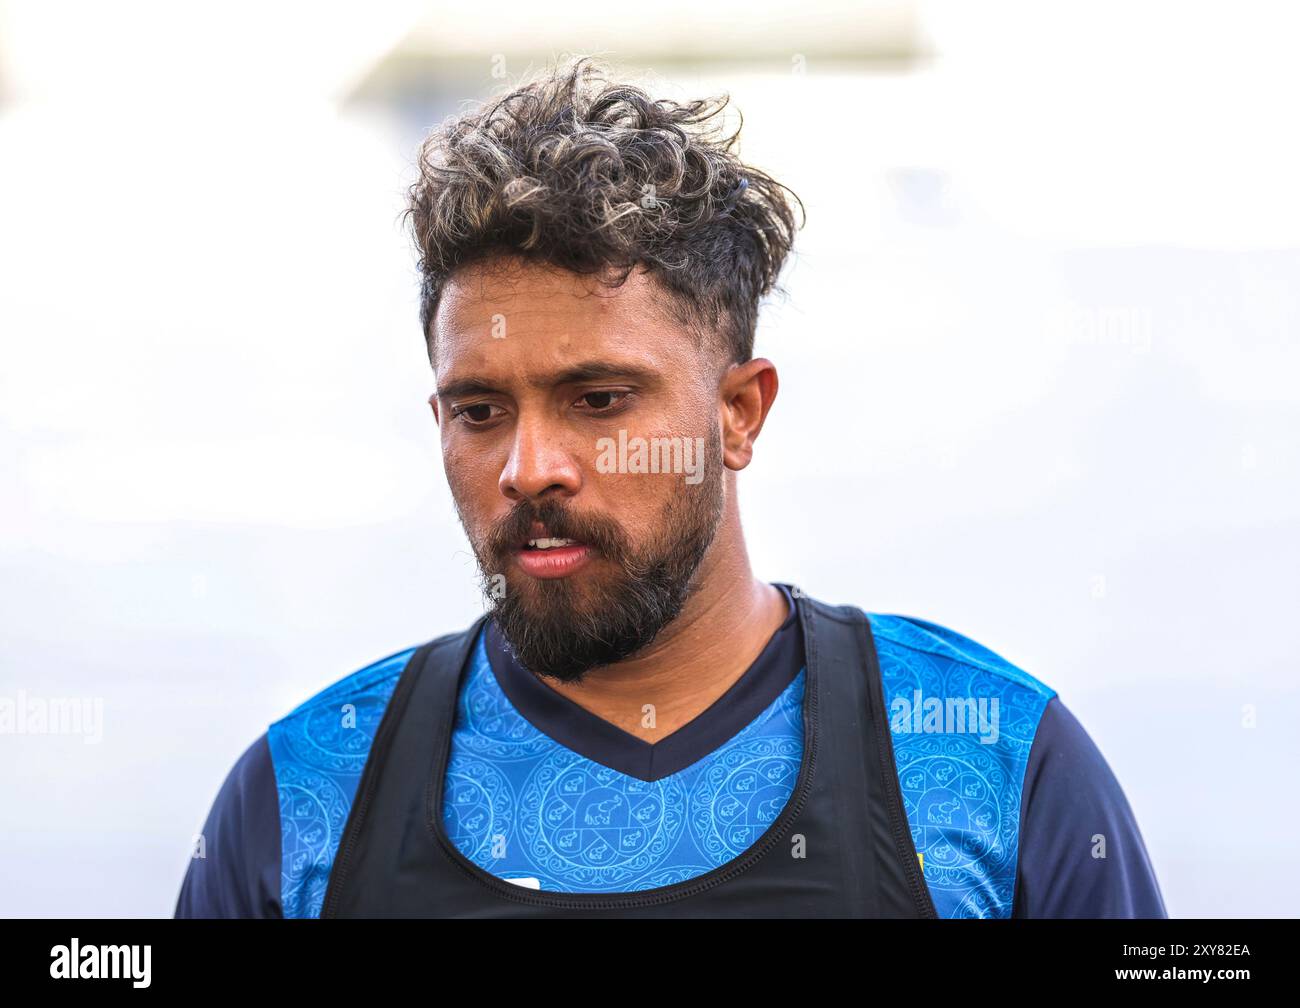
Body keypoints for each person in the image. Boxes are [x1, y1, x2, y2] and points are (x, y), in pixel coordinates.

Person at [175, 56, 1166, 919]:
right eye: (479, 412)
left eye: (600, 400)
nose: (530, 468)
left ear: (738, 413)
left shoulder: (988, 763)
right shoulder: (307, 795)